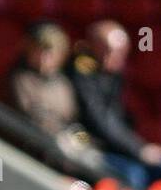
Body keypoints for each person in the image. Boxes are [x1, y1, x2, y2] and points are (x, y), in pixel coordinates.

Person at [67, 19, 161, 190]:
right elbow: (99, 121)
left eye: (121, 52)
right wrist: (139, 150)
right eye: (110, 51)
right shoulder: (82, 74)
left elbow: (119, 118)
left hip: (120, 145)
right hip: (92, 146)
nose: (117, 57)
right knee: (133, 175)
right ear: (93, 46)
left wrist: (141, 147)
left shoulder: (113, 76)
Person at [6, 21, 107, 181]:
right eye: (39, 51)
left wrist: (79, 140)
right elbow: (32, 116)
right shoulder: (19, 78)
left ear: (60, 55)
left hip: (66, 144)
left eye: (50, 53)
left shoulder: (63, 83)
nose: (43, 58)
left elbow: (71, 119)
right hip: (33, 149)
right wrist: (60, 137)